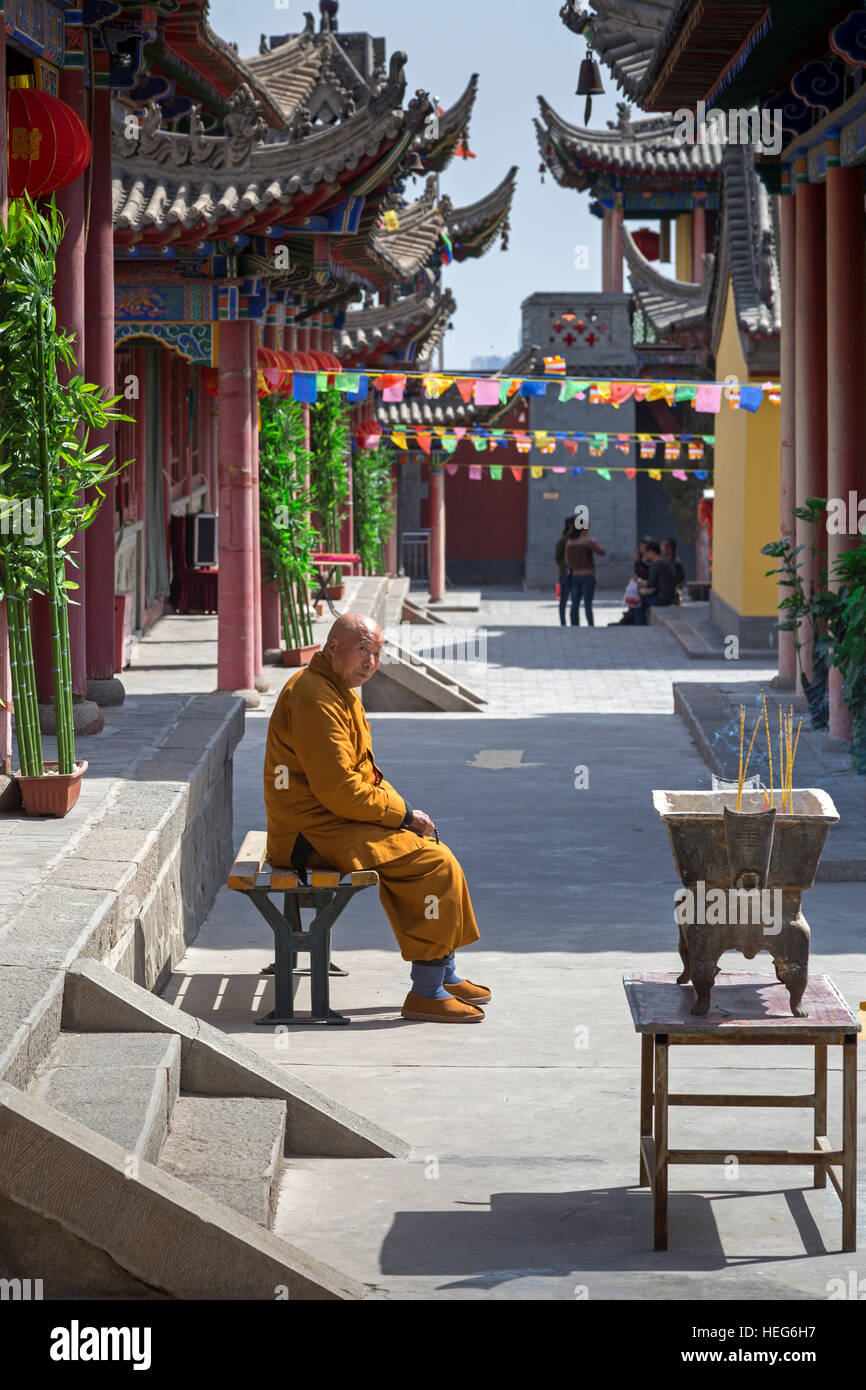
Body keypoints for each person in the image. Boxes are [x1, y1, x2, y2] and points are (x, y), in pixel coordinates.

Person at [263, 613, 489, 1023]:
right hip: (307, 835)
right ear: (332, 649)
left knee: (430, 847)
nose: (371, 661)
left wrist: (404, 816)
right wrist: (402, 815)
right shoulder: (314, 695)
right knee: (433, 866)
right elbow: (339, 790)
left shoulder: (337, 686)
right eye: (362, 649)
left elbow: (363, 776)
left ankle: (444, 971)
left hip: (331, 821)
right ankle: (426, 991)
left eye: (378, 653)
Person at [565, 526, 606, 626]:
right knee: (588, 603)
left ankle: (574, 624)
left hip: (575, 575)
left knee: (575, 603)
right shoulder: (588, 542)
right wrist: (596, 542)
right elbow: (602, 552)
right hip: (588, 574)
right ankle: (590, 624)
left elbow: (567, 561)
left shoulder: (569, 543)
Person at [633, 539, 678, 625]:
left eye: (647, 554)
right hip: (670, 596)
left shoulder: (658, 564)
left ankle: (640, 626)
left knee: (637, 602)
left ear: (651, 552)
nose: (647, 556)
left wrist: (639, 581)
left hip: (662, 599)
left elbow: (650, 584)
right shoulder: (664, 562)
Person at [554, 517, 576, 626]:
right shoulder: (563, 540)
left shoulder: (577, 539)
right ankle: (563, 622)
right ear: (570, 526)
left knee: (575, 601)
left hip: (577, 574)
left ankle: (574, 622)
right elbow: (557, 558)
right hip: (565, 575)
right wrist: (564, 568)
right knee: (564, 600)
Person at [662, 538, 686, 603]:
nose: (661, 548)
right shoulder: (666, 562)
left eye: (663, 546)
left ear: (669, 550)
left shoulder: (676, 565)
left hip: (672, 599)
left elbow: (677, 582)